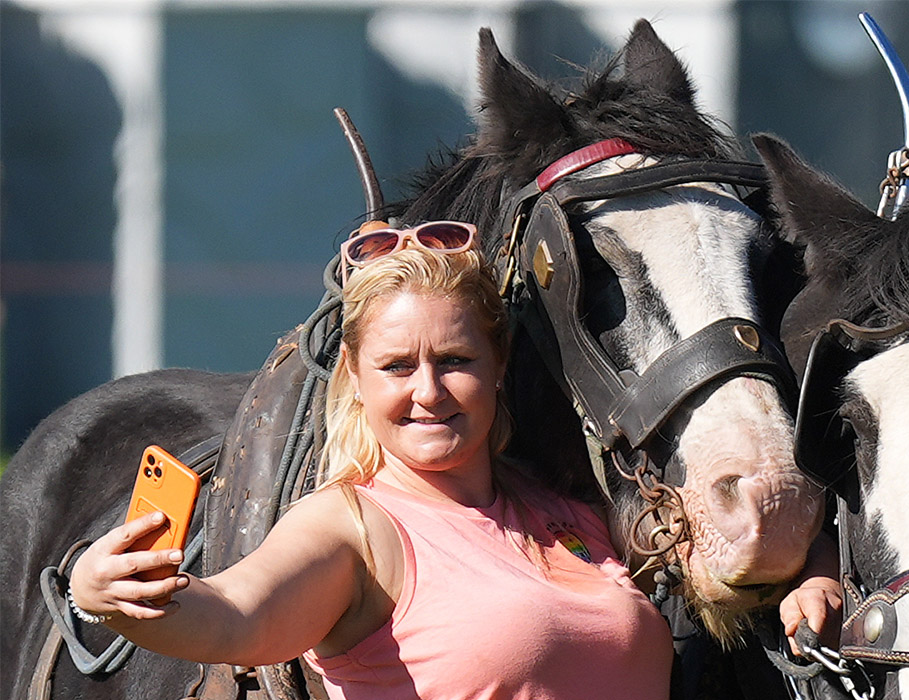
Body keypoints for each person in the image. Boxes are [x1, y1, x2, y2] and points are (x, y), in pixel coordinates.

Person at [68, 219, 841, 699]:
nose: (429, 391)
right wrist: (107, 597)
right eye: (398, 367)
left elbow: (727, 564)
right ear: (357, 383)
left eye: (455, 360)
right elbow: (234, 620)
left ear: (498, 367)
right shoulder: (352, 527)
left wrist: (813, 575)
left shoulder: (572, 512)